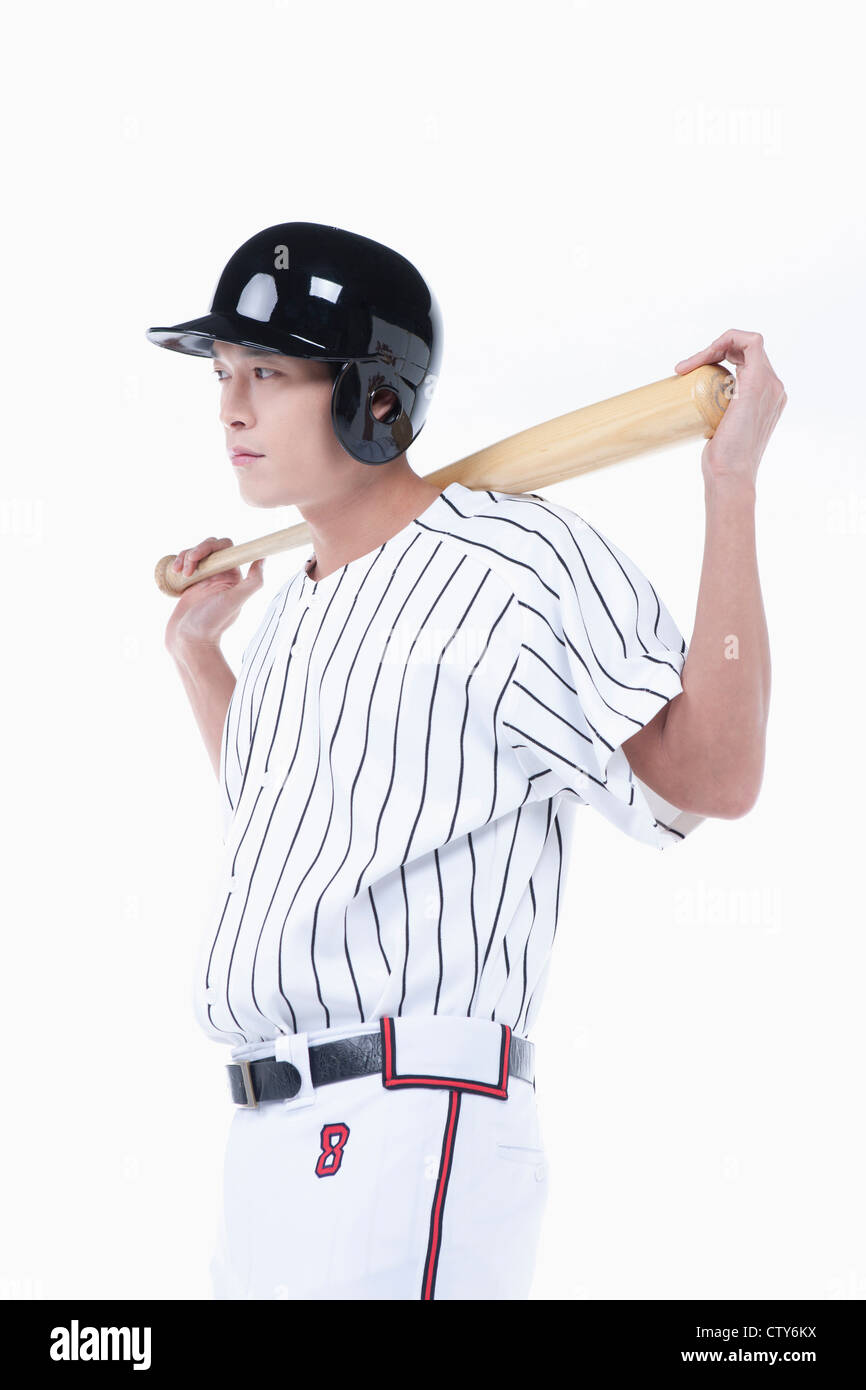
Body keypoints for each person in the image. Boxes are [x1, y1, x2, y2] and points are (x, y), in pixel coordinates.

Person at [150, 222, 784, 1299]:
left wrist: (730, 484)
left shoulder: (507, 560)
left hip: (406, 1112)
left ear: (374, 397)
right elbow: (290, 825)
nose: (229, 407)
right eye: (222, 373)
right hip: (262, 1139)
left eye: (267, 371)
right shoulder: (292, 608)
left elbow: (713, 775)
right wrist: (196, 655)